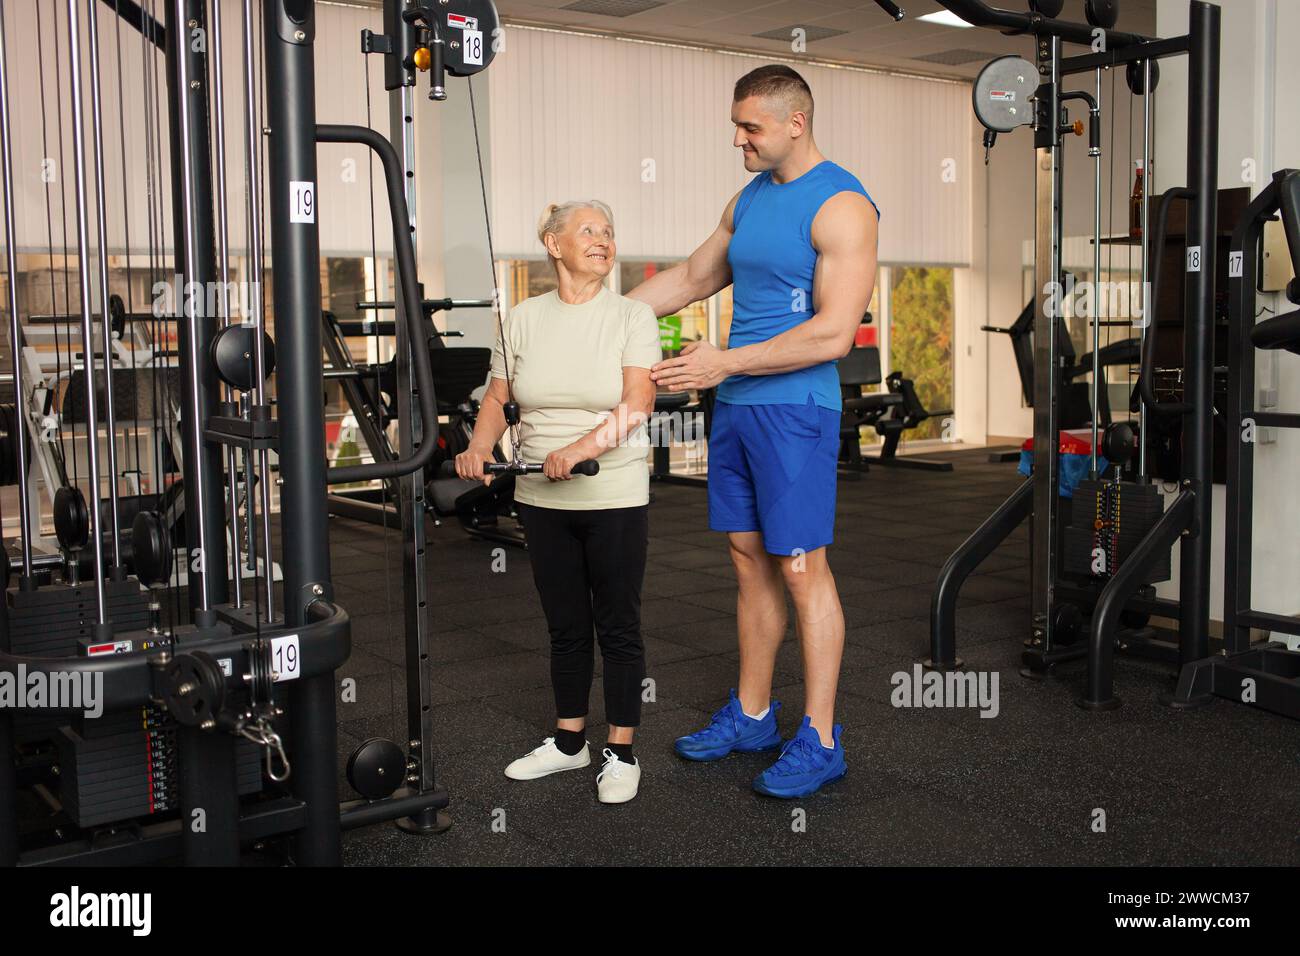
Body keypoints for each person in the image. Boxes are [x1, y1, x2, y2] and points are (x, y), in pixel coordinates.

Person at [627, 65, 879, 798]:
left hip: (796, 407)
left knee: (802, 568)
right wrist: (598, 318)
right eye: (737, 125)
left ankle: (822, 737)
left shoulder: (843, 206)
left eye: (750, 128)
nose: (737, 138)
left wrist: (721, 361)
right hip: (737, 403)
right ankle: (754, 711)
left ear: (794, 124)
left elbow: (833, 334)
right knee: (747, 559)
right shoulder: (749, 198)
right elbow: (694, 277)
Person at [455, 200, 661, 804]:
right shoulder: (521, 318)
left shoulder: (633, 315)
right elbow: (498, 400)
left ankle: (621, 751)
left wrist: (576, 449)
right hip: (540, 494)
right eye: (590, 230)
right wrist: (478, 445)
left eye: (609, 231)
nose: (604, 240)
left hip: (613, 491)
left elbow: (636, 404)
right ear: (553, 243)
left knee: (617, 624)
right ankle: (570, 744)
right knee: (565, 625)